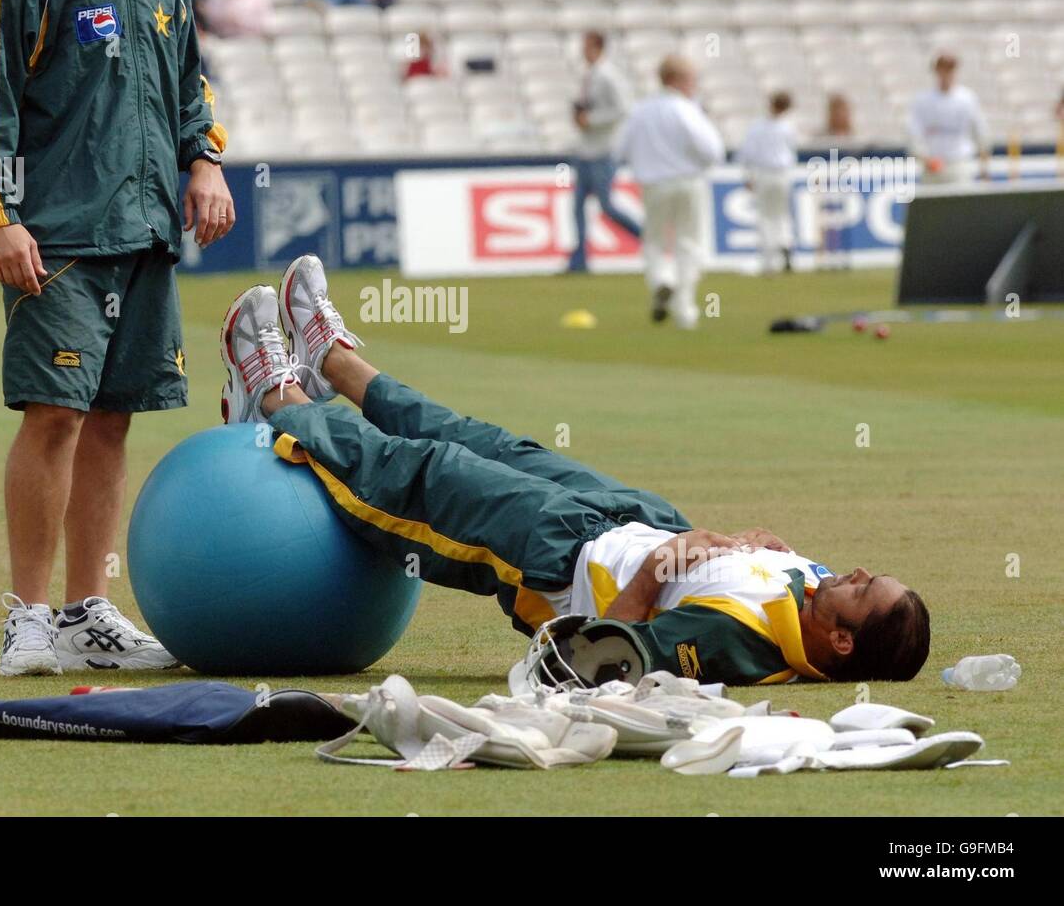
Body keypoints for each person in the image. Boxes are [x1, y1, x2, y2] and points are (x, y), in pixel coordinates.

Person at [215, 255, 931, 687]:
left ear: (841, 640)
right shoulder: (813, 598)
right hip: (628, 515)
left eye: (866, 589)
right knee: (470, 435)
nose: (859, 571)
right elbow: (732, 571)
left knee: (424, 474)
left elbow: (594, 662)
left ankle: (275, 396)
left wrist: (656, 572)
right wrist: (741, 542)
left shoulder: (740, 646)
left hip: (560, 561)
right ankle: (333, 359)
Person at [0, 0, 234, 676]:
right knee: (56, 412)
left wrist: (206, 160)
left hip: (145, 229)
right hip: (58, 235)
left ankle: (85, 611)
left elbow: (189, 78)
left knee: (112, 419)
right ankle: (28, 617)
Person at [612, 55, 724, 329]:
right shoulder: (685, 109)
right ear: (677, 79)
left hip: (654, 185)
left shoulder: (640, 111)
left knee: (655, 241)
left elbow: (618, 149)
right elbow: (713, 151)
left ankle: (662, 280)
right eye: (690, 80)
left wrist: (645, 161)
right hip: (689, 182)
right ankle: (685, 309)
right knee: (689, 243)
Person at [568, 30, 639, 272]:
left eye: (586, 46)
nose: (582, 51)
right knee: (576, 206)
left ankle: (647, 238)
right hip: (586, 151)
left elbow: (624, 109)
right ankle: (579, 260)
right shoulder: (588, 75)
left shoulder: (610, 76)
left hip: (604, 151)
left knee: (607, 207)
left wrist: (592, 120)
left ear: (598, 48)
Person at [736, 90, 798, 275]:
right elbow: (792, 151)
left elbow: (747, 153)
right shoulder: (789, 127)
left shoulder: (757, 127)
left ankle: (769, 260)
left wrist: (748, 175)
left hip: (764, 173)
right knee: (782, 214)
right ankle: (785, 244)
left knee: (765, 216)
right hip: (783, 173)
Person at [908, 53, 990, 184]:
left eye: (949, 69)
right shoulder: (923, 100)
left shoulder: (967, 98)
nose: (946, 74)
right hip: (932, 166)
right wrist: (925, 158)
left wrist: (984, 167)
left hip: (959, 164)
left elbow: (980, 133)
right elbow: (914, 134)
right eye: (942, 69)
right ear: (936, 71)